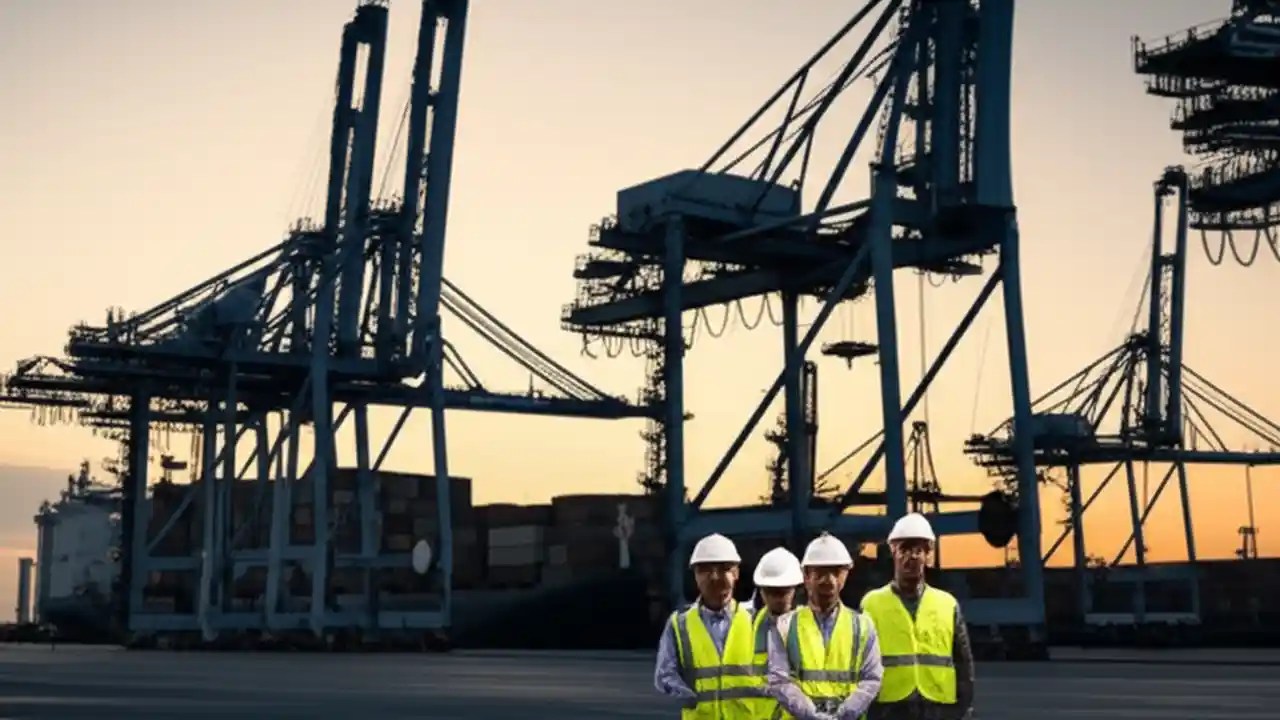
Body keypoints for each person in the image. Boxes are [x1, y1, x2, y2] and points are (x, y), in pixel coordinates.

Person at [859, 513, 975, 720]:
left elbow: (963, 662)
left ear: (928, 554)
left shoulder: (947, 604)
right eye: (904, 549)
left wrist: (962, 708)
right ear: (893, 551)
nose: (911, 557)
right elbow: (858, 662)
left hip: (939, 708)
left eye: (918, 550)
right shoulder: (871, 604)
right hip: (888, 709)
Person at [767, 532, 883, 720]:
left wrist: (844, 714)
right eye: (819, 573)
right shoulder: (784, 626)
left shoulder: (863, 626)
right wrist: (812, 716)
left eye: (835, 572)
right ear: (806, 576)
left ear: (845, 575)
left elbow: (872, 678)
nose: (828, 580)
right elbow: (779, 680)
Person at [653, 532, 770, 718]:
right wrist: (688, 696)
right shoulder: (680, 624)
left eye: (724, 568)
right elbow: (664, 674)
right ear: (696, 576)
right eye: (706, 570)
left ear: (736, 573)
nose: (715, 577)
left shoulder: (756, 621)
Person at [750, 546, 804, 719]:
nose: (777, 598)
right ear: (761, 591)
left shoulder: (811, 625)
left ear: (795, 589)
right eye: (770, 591)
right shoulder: (749, 627)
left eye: (783, 592)